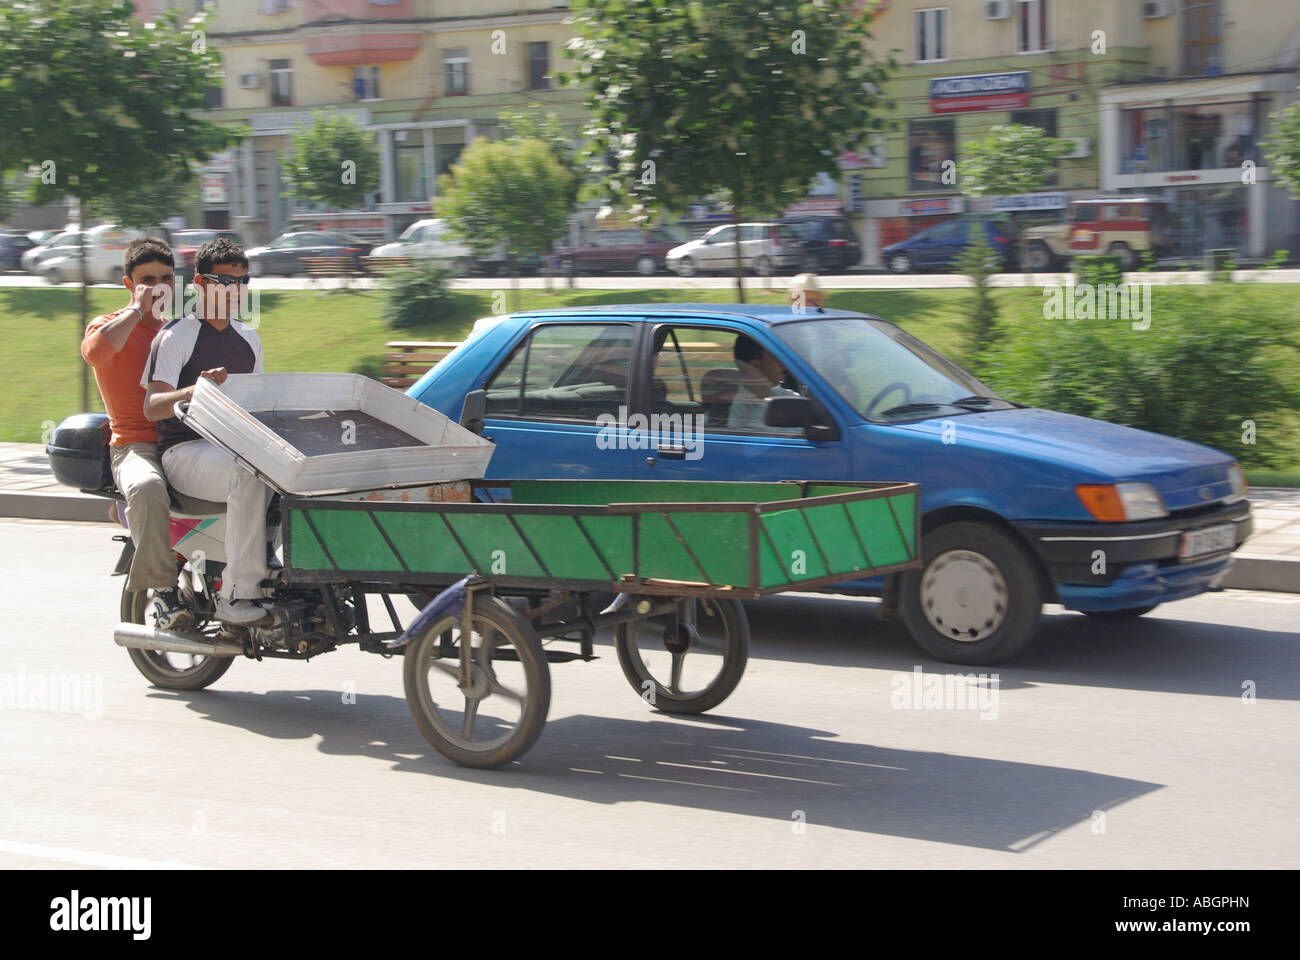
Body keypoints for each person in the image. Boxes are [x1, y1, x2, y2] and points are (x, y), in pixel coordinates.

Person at [142, 237, 270, 625]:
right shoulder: (176, 336)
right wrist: (195, 390)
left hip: (231, 449)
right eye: (225, 282)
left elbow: (259, 407)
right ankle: (238, 594)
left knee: (289, 477)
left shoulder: (249, 339)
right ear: (200, 283)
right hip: (183, 452)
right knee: (250, 474)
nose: (236, 292)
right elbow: (152, 406)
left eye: (242, 283)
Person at [80, 237, 188, 627]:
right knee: (145, 487)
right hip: (134, 446)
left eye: (165, 278)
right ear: (129, 283)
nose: (157, 287)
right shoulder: (108, 325)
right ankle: (163, 590)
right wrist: (136, 309)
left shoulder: (178, 332)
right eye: (147, 280)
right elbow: (95, 353)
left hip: (183, 442)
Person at [728, 335, 801, 433]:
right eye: (776, 358)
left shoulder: (779, 393)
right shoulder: (743, 417)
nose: (783, 365)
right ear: (756, 366)